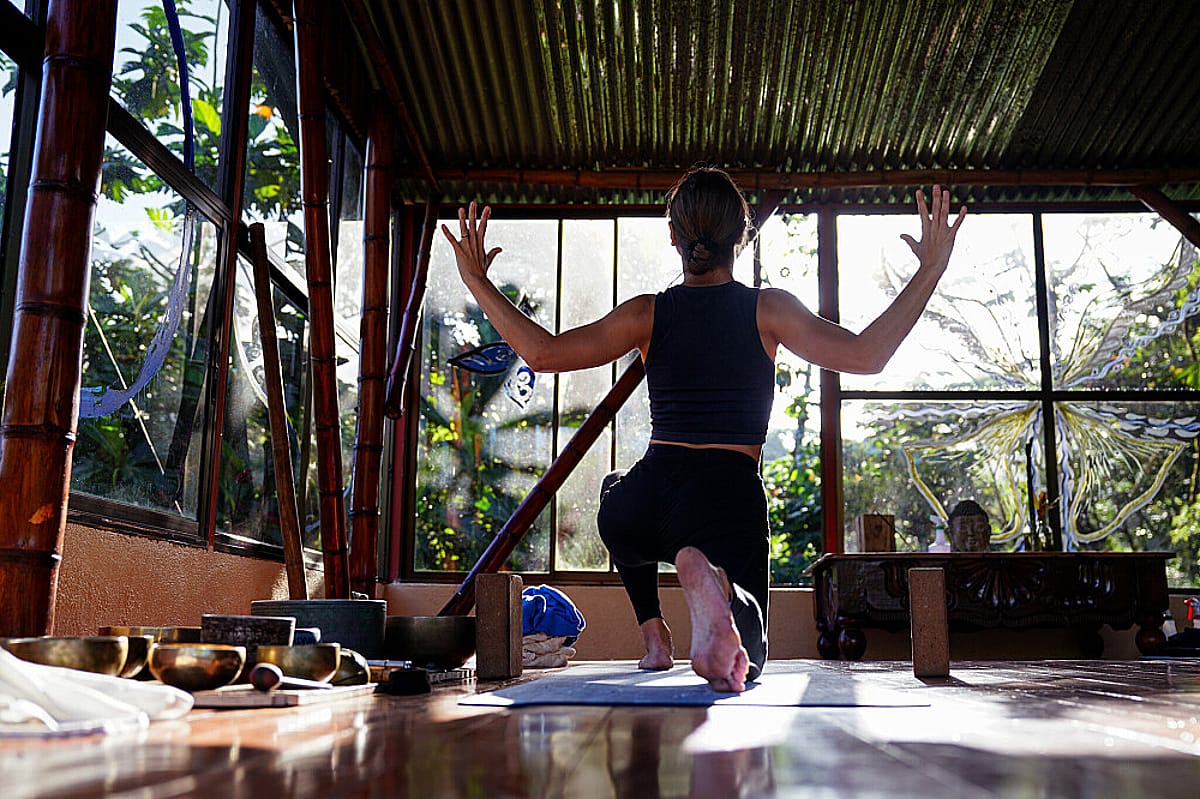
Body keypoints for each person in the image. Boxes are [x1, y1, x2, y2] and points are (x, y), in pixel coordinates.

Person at [443, 167, 966, 692]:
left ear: (673, 235)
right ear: (742, 233)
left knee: (613, 494)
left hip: (645, 502)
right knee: (748, 656)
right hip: (727, 497)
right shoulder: (770, 309)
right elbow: (867, 355)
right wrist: (932, 269)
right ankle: (714, 582)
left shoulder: (648, 313)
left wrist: (477, 281)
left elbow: (542, 353)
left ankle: (655, 636)